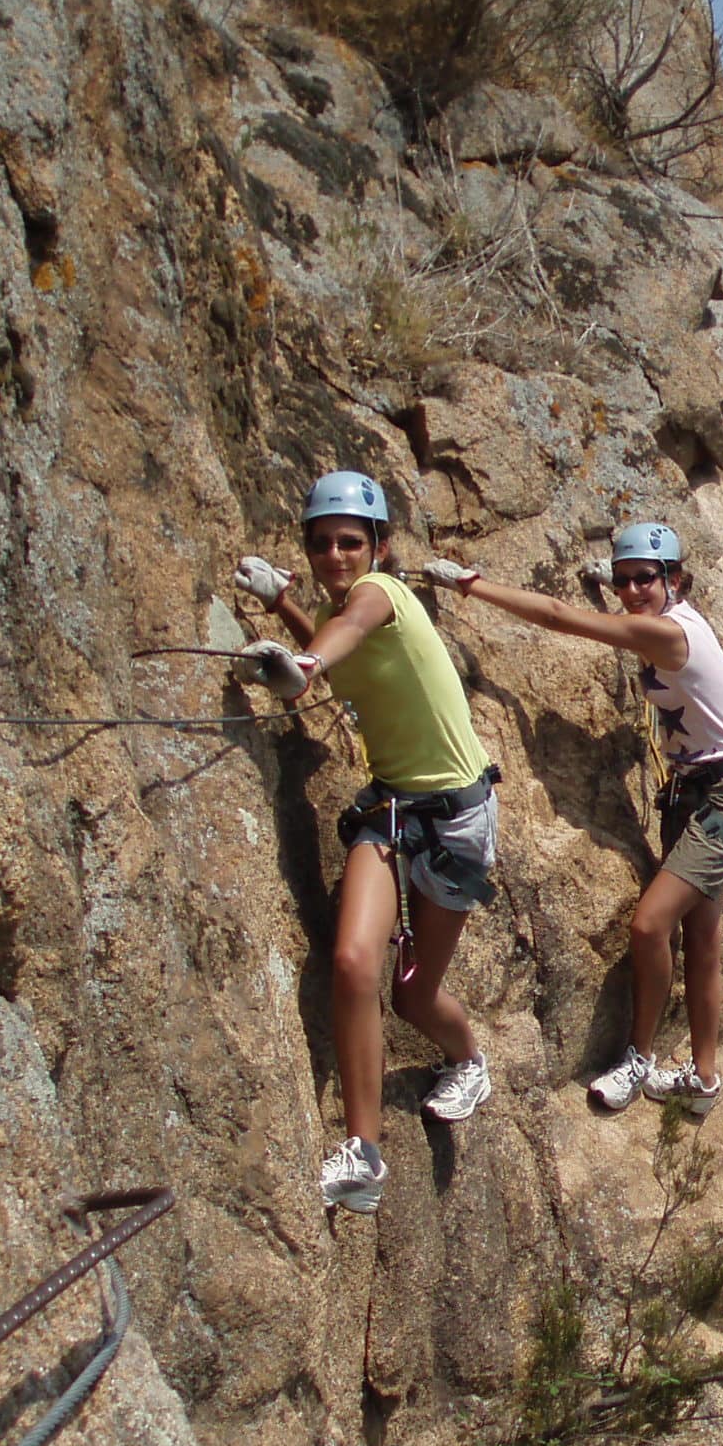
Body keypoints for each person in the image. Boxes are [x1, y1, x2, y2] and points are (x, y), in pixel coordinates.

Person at [423, 524, 723, 1115]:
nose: (632, 590)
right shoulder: (669, 619)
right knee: (701, 941)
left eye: (645, 580)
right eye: (624, 579)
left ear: (674, 581)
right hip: (699, 791)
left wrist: (472, 585)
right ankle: (704, 1080)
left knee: (649, 926)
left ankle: (638, 1058)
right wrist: (608, 587)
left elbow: (559, 617)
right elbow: (622, 625)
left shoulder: (669, 632)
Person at [233, 471, 499, 1216]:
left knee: (413, 995)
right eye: (321, 544)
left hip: (454, 818)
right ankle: (365, 1153)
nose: (335, 555)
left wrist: (305, 665)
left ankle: (469, 1060)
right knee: (353, 961)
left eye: (350, 542)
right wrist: (283, 610)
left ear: (380, 546)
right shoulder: (335, 604)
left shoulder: (385, 593)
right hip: (391, 805)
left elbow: (341, 639)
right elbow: (328, 639)